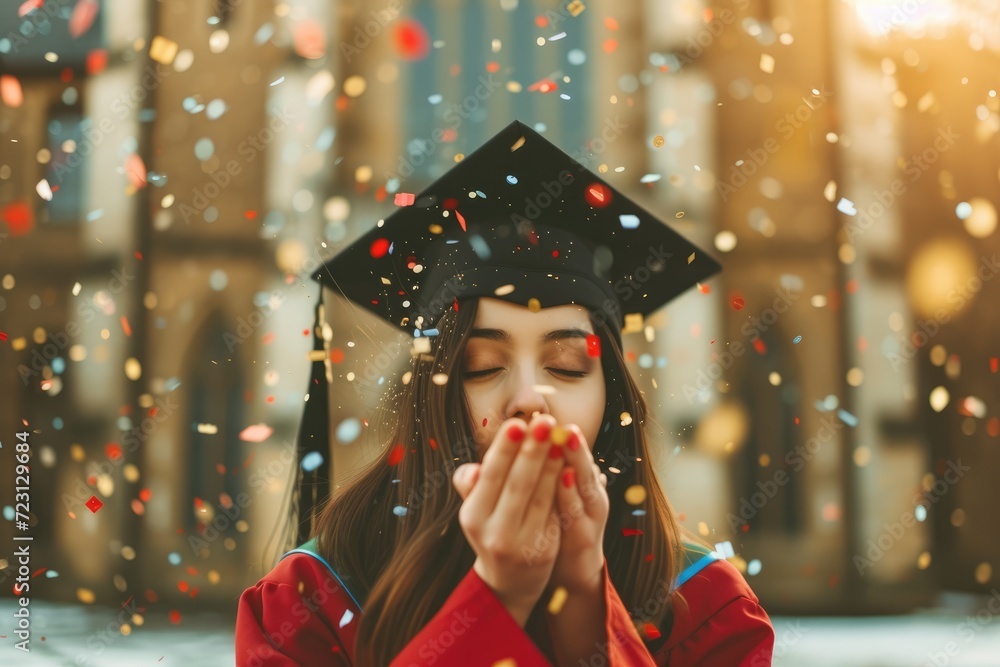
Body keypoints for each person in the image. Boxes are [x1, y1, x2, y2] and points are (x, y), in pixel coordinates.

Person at [235, 121, 774, 666]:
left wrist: (585, 601)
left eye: (566, 366)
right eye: (481, 366)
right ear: (427, 395)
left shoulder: (704, 608)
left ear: (613, 395)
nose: (528, 399)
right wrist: (496, 597)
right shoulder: (313, 600)